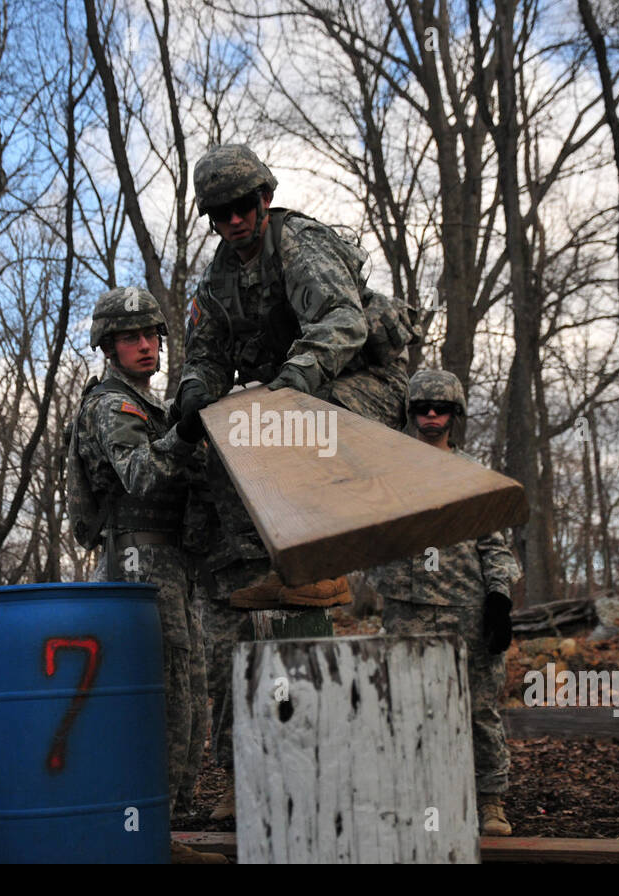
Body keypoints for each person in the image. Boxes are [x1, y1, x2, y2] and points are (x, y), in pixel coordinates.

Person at [174, 143, 416, 819]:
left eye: (242, 209)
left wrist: (297, 379)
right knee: (228, 437)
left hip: (363, 384)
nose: (233, 224)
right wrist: (196, 393)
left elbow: (341, 323)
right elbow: (205, 353)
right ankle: (268, 563)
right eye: (219, 216)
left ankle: (321, 562)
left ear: (263, 200)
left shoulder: (300, 243)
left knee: (292, 419)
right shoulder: (218, 279)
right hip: (294, 397)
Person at [66, 286, 221, 863]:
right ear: (109, 345)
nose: (145, 345)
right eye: (131, 337)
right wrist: (184, 432)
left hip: (173, 563)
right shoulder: (112, 405)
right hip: (140, 563)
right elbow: (138, 474)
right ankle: (146, 833)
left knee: (188, 692)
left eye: (152, 335)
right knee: (162, 693)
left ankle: (162, 826)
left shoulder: (150, 406)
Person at [366, 368, 523, 837]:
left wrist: (499, 598)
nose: (431, 416)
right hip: (406, 607)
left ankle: (490, 801)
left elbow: (494, 545)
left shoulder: (473, 474)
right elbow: (365, 531)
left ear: (456, 415)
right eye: (422, 408)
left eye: (441, 409)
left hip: (465, 606)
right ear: (410, 413)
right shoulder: (387, 470)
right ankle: (417, 801)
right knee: (406, 707)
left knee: (477, 707)